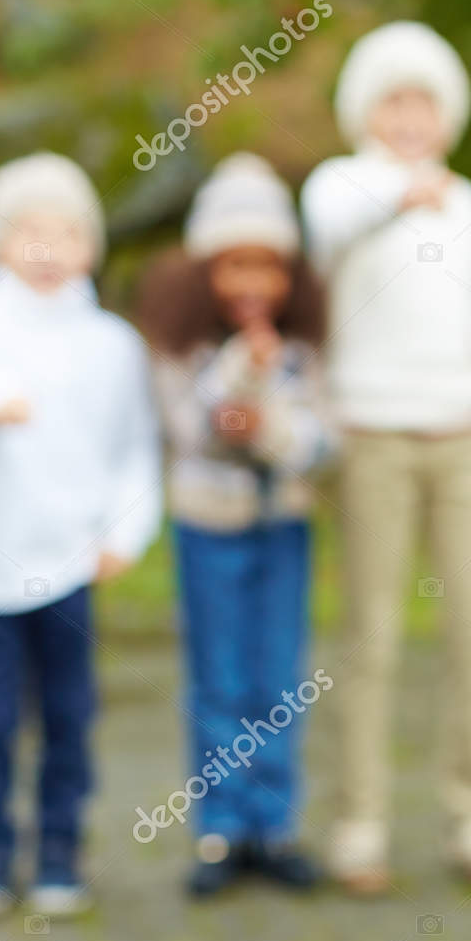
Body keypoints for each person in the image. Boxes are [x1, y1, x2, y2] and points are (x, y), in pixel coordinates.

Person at [299, 21, 471, 896]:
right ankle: (361, 822)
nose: (408, 117)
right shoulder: (343, 184)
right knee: (375, 634)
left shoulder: (465, 200)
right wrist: (402, 194)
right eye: (393, 99)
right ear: (365, 109)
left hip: (458, 435)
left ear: (447, 113)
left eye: (423, 101)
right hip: (373, 437)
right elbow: (324, 229)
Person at [0, 152, 161, 920]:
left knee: (68, 714)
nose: (47, 247)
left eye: (65, 231)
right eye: (30, 230)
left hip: (67, 565)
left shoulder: (111, 344)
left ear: (90, 245)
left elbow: (134, 448)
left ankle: (60, 848)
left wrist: (124, 530)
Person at [136, 153, 333, 898]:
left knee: (278, 674)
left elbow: (320, 440)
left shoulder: (305, 347)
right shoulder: (179, 345)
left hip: (282, 525)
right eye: (233, 265)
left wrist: (274, 429)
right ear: (204, 269)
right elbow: (196, 430)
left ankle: (273, 824)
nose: (252, 284)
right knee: (218, 678)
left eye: (268, 266)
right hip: (207, 525)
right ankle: (220, 826)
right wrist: (244, 379)